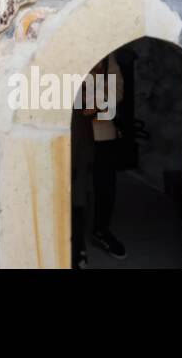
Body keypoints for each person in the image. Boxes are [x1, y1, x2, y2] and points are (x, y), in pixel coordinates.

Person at [72, 53, 127, 266]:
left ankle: (101, 230)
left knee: (105, 186)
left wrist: (91, 103)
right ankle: (76, 244)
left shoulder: (107, 56)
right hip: (75, 135)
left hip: (102, 131)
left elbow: (117, 90)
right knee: (76, 189)